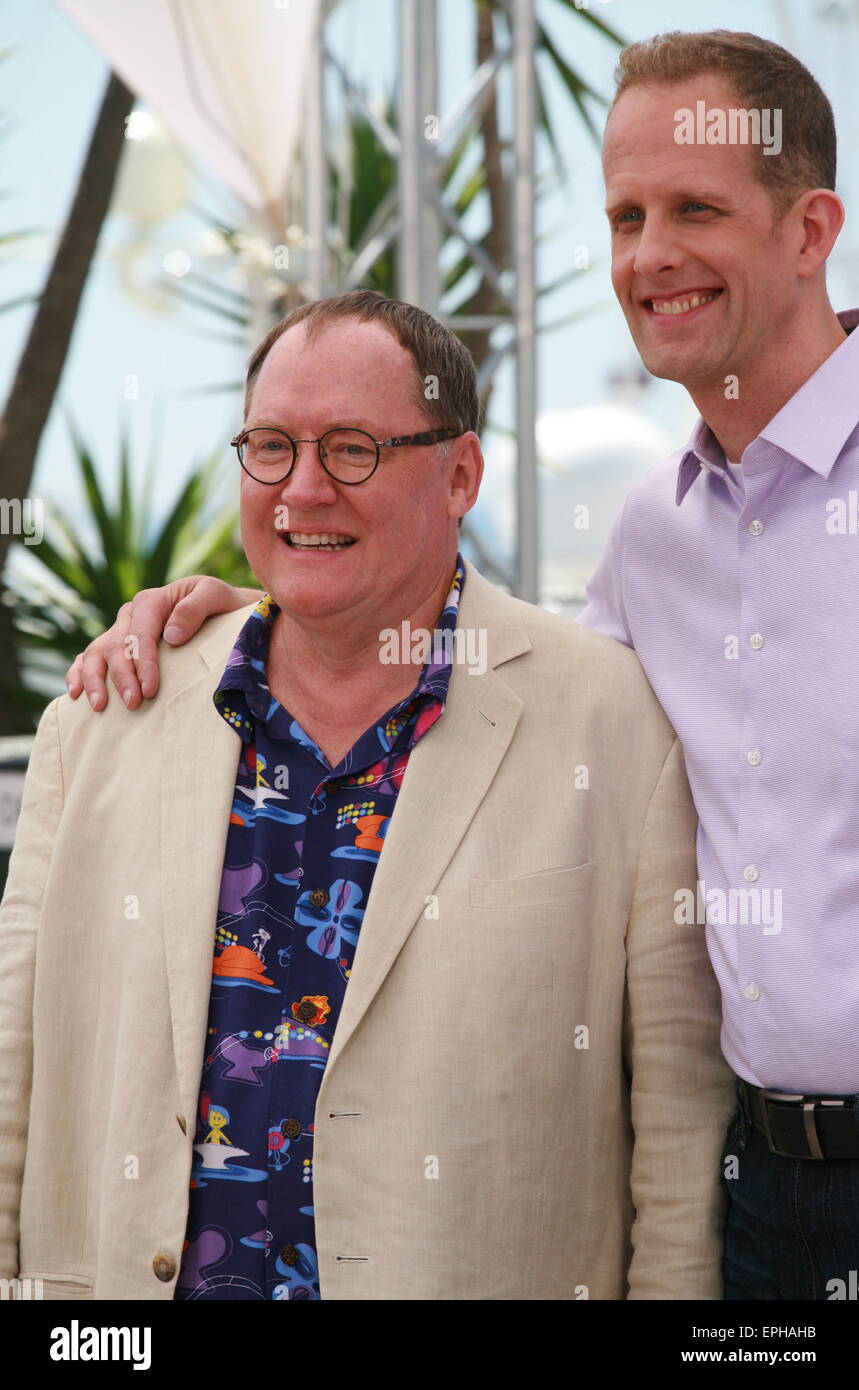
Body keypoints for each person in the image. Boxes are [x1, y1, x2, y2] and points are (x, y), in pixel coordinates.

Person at [74, 29, 859, 1303]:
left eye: (694, 208)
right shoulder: (651, 539)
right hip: (765, 1188)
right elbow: (493, 669)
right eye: (621, 215)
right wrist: (266, 599)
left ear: (808, 228)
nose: (647, 254)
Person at [0, 289, 731, 1301]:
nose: (302, 490)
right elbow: (13, 1070)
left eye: (352, 449)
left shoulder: (611, 723)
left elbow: (678, 1133)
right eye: (270, 446)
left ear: (459, 473)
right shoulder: (107, 712)